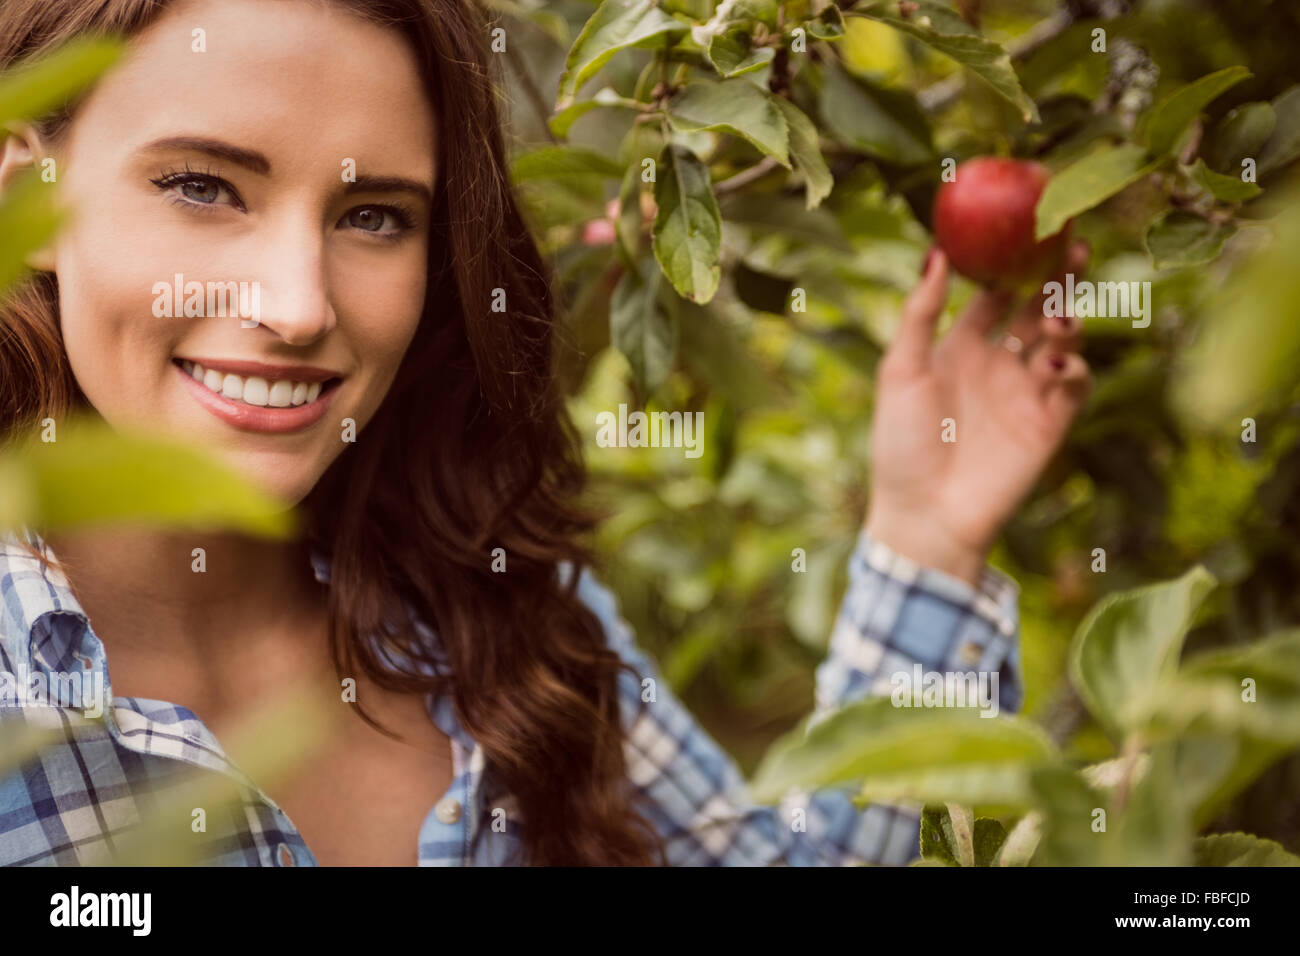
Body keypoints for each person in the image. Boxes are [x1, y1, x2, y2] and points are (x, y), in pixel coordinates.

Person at [0, 0, 1091, 866]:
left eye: (373, 214)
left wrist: (925, 532)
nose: (298, 305)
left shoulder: (484, 608)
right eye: (203, 186)